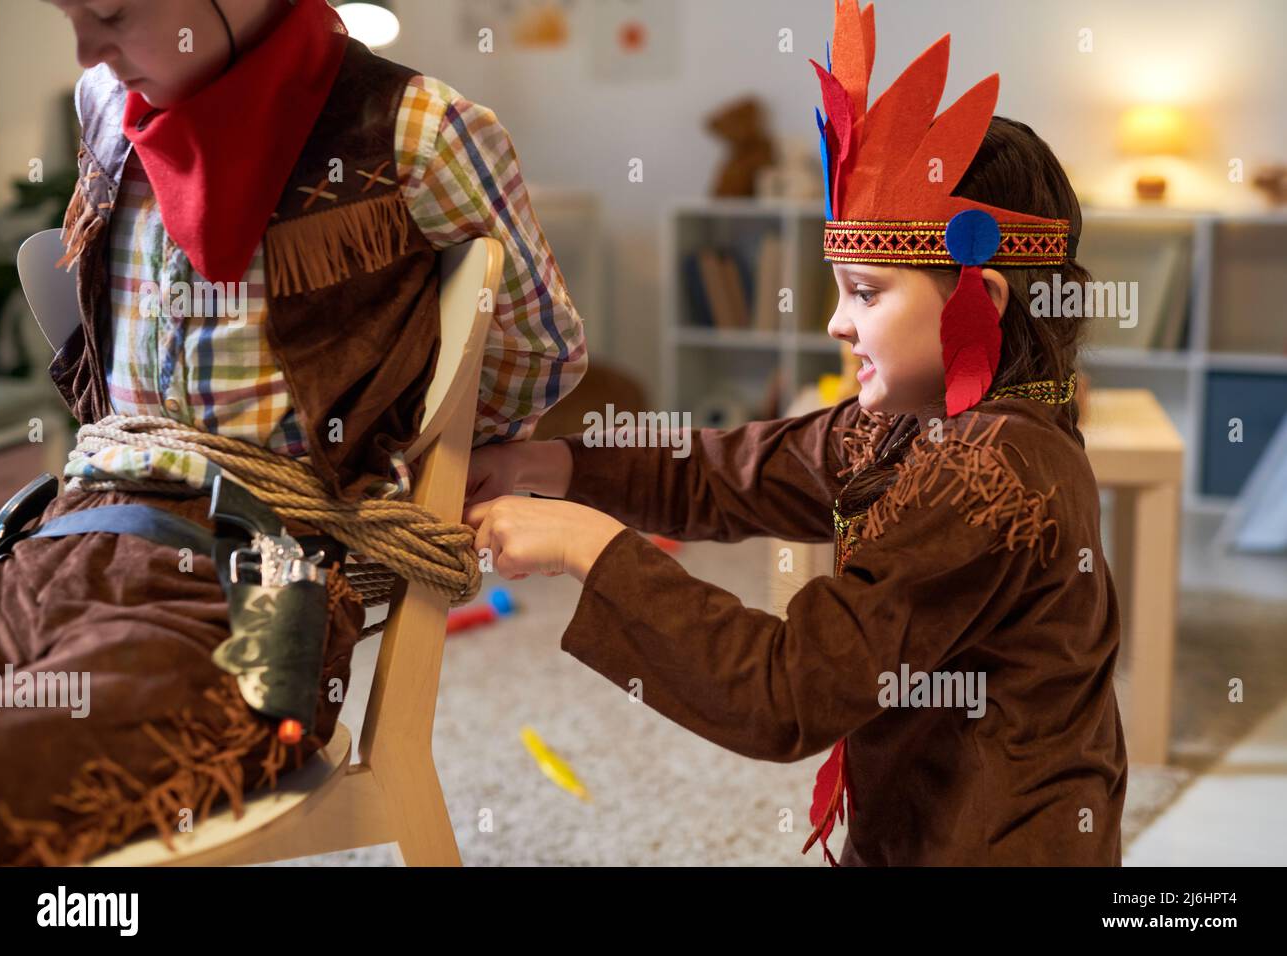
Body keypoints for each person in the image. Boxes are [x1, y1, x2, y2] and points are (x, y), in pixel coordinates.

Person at [463, 2, 1127, 865]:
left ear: (980, 302)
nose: (835, 324)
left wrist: (591, 548)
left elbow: (786, 692)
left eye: (867, 291)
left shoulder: (991, 470)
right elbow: (732, 472)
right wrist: (548, 462)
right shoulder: (921, 425)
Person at [0, 0, 585, 865]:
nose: (84, 46)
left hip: (247, 574)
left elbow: (539, 351)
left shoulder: (416, 131)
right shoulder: (102, 103)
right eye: (70, 11)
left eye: (113, 11)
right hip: (66, 531)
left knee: (19, 758)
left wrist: (395, 478)